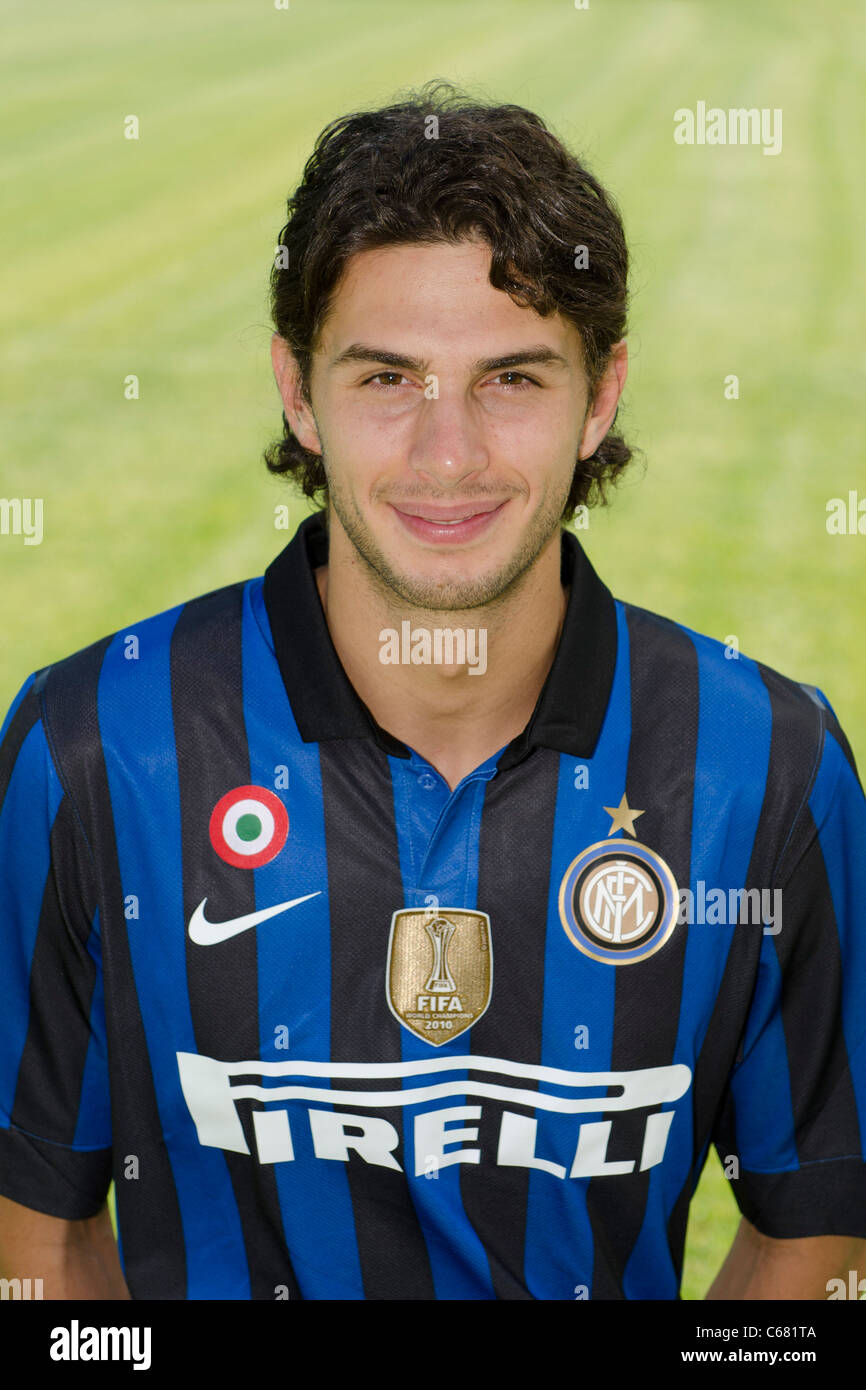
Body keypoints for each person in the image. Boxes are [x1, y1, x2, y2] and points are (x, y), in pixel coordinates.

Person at [1, 82, 864, 1301]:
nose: (445, 454)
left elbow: (810, 1222)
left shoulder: (765, 764)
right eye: (384, 379)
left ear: (599, 397)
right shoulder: (92, 745)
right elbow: (38, 1230)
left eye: (510, 379)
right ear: (298, 394)